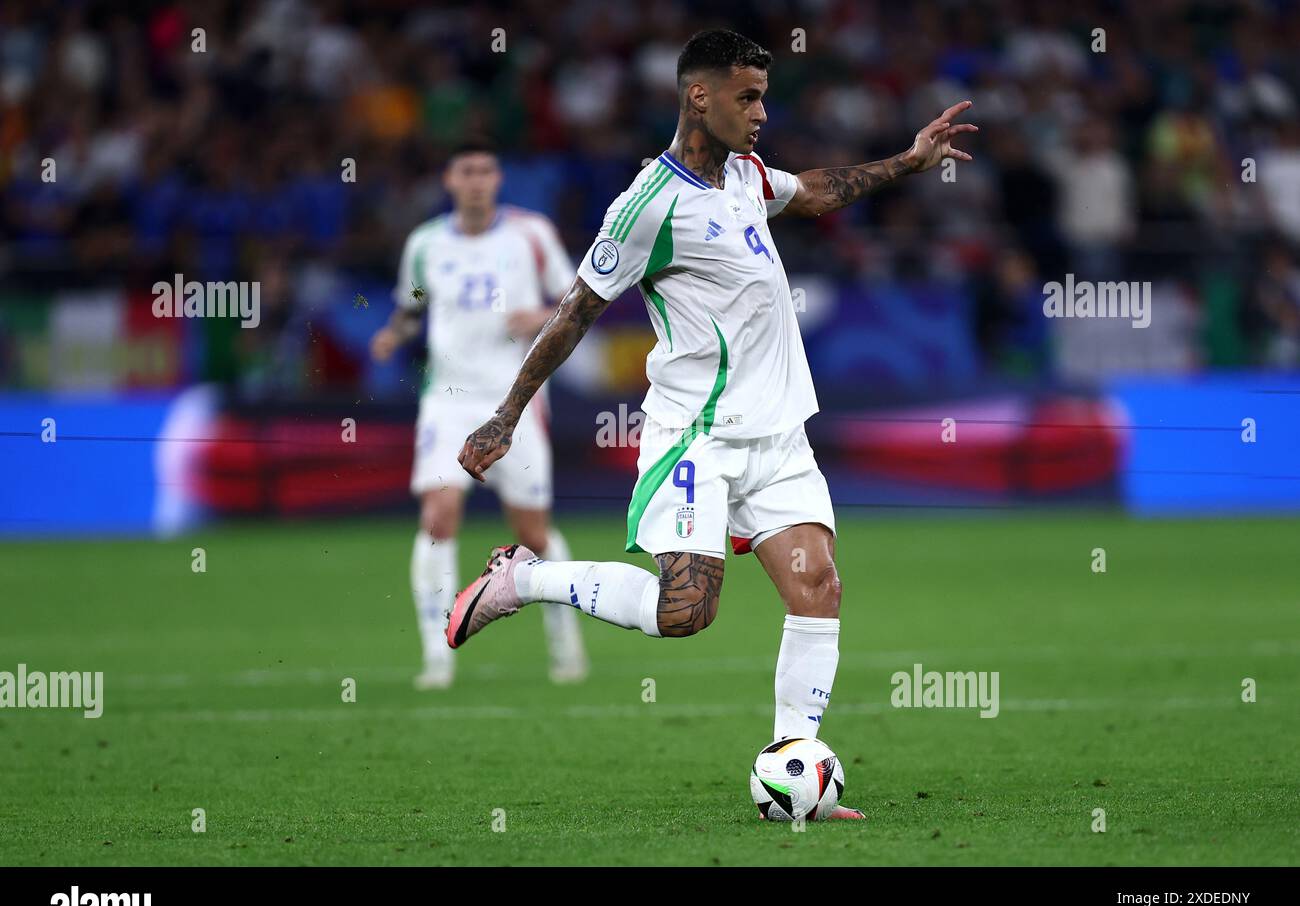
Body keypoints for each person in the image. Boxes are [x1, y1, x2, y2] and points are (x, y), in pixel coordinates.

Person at [449, 31, 976, 820]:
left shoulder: (746, 176)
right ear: (700, 96)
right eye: (747, 96)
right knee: (684, 614)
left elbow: (819, 191)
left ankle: (796, 768)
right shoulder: (646, 206)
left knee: (818, 586)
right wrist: (506, 413)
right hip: (697, 437)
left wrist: (908, 160)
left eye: (764, 95)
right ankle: (521, 579)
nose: (761, 111)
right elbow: (574, 313)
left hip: (779, 436)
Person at [370, 141, 588, 689]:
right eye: (466, 171)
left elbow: (579, 301)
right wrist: (393, 332)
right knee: (438, 519)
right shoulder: (425, 244)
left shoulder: (530, 235)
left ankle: (565, 640)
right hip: (446, 401)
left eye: (486, 171)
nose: (476, 180)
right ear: (449, 180)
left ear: (498, 179)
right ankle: (437, 654)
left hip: (516, 401)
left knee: (533, 534)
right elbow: (414, 302)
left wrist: (537, 315)